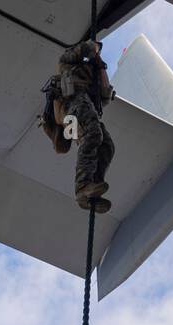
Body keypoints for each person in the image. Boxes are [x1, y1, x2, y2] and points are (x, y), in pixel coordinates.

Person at [51, 38, 115, 211]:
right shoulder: (68, 62)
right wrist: (94, 47)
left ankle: (93, 186)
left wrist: (101, 66)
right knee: (93, 134)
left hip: (82, 109)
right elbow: (82, 50)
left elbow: (105, 97)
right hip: (70, 103)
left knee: (107, 146)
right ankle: (82, 186)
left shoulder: (93, 75)